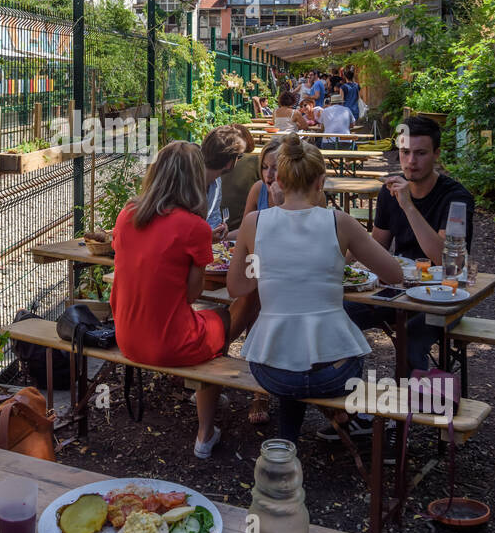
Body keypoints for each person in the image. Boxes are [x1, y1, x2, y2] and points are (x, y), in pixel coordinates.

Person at [227, 136, 403, 443]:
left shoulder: (254, 223)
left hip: (269, 371)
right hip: (332, 375)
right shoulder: (340, 222)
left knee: (290, 362)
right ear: (321, 181)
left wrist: (272, 268)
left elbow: (237, 286)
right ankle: (344, 422)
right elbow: (394, 273)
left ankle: (287, 444)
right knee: (318, 357)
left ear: (278, 180)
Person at [110, 141, 231, 458]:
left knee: (204, 317)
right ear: (194, 179)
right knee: (230, 314)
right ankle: (206, 418)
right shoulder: (194, 226)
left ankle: (203, 390)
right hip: (168, 345)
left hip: (126, 337)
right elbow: (192, 294)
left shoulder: (127, 214)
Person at [345, 114, 475, 385]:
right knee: (337, 314)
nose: (411, 162)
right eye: (405, 152)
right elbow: (375, 246)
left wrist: (408, 205)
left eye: (420, 153)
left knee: (410, 336)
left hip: (443, 297)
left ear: (436, 154)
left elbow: (445, 260)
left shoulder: (456, 198)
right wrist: (339, 262)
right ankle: (349, 410)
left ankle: (407, 417)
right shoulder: (389, 192)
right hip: (399, 292)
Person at [202, 124, 247, 241]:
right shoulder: (188, 180)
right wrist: (206, 236)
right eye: (239, 157)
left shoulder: (216, 181)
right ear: (230, 162)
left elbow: (213, 219)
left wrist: (219, 230)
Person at [245, 140, 284, 214]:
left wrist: (282, 205)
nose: (268, 174)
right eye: (264, 167)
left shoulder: (297, 194)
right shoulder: (258, 188)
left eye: (275, 168)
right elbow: (245, 225)